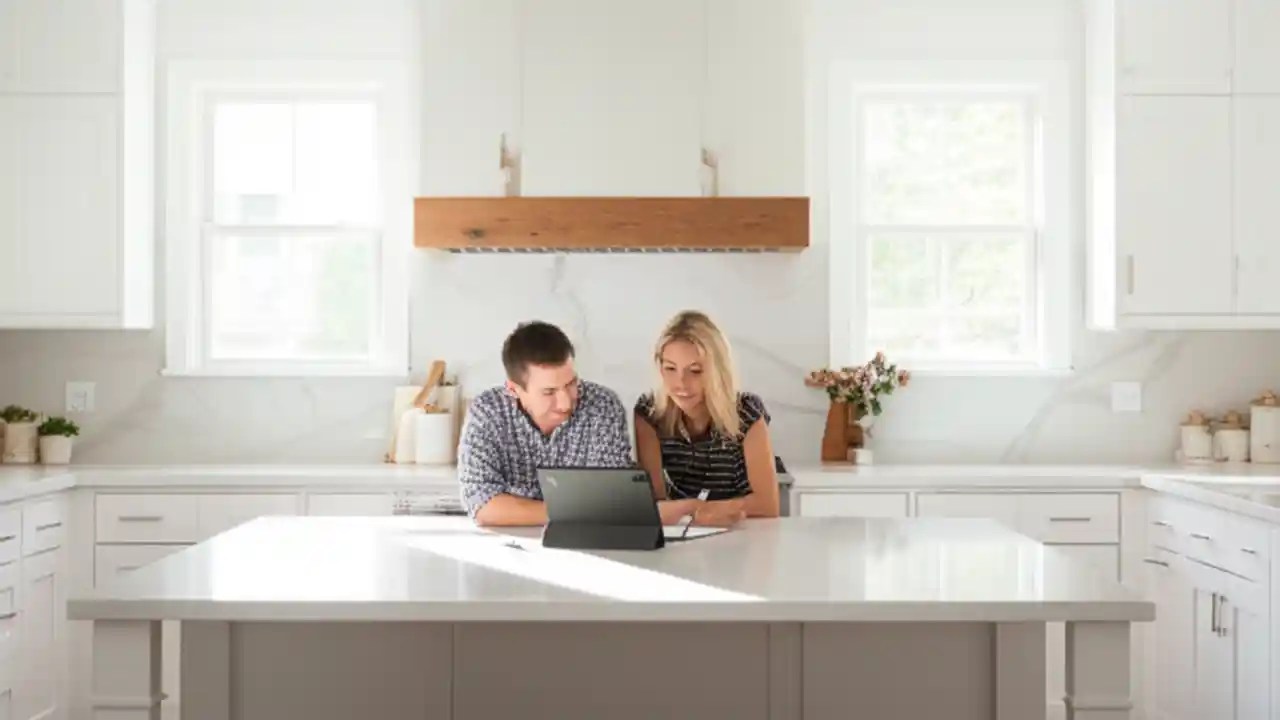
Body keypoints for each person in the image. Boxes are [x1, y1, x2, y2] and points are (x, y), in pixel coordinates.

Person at [457, 321, 707, 527]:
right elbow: (482, 505)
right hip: (509, 552)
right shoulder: (487, 413)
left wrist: (523, 510)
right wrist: (577, 512)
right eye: (549, 392)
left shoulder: (602, 405)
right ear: (513, 389)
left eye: (571, 384)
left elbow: (611, 498)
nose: (565, 402)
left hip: (588, 547)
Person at [634, 311, 781, 522]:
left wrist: (693, 510)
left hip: (744, 531)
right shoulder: (649, 412)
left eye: (695, 371)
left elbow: (767, 505)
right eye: (670, 369)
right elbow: (654, 506)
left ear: (717, 371)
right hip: (683, 535)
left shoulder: (747, 411)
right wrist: (698, 509)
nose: (681, 384)